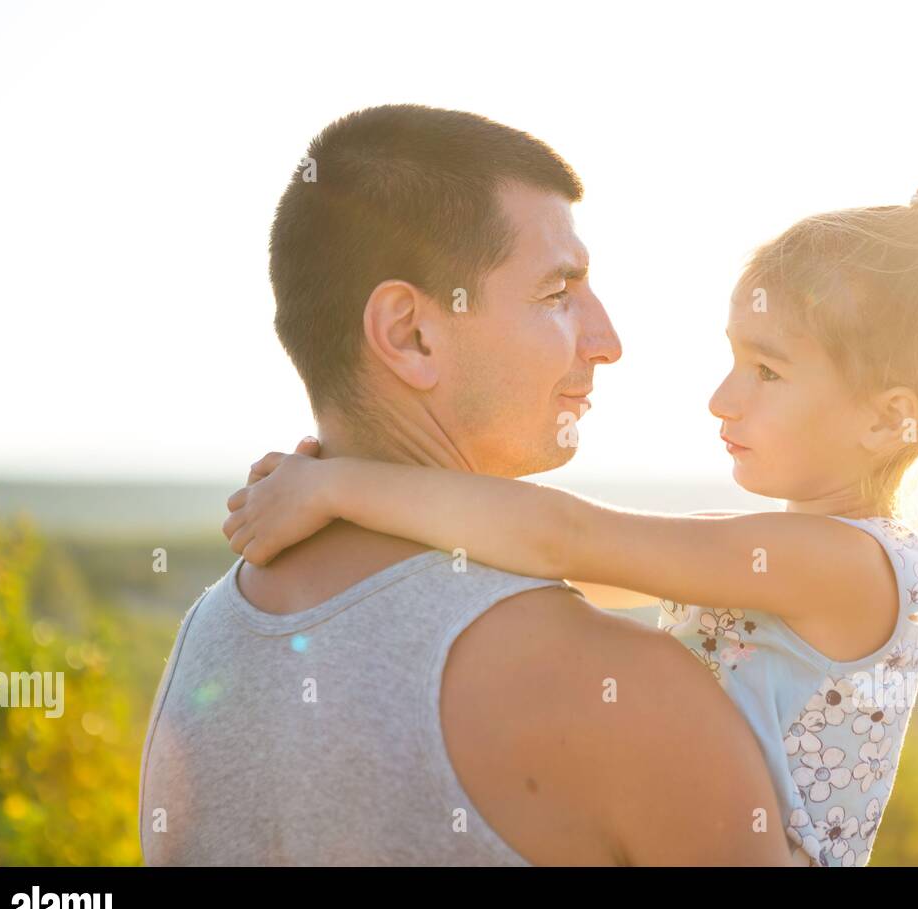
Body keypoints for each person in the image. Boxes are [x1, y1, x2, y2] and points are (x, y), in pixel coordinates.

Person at [222, 165, 918, 865]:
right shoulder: (790, 551)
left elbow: (569, 538)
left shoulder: (847, 565)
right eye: (733, 360)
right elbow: (578, 564)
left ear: (883, 415)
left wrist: (341, 488)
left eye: (768, 371)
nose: (722, 399)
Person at [138, 104, 793, 866]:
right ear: (413, 335)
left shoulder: (200, 649)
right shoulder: (630, 690)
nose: (607, 341)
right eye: (557, 294)